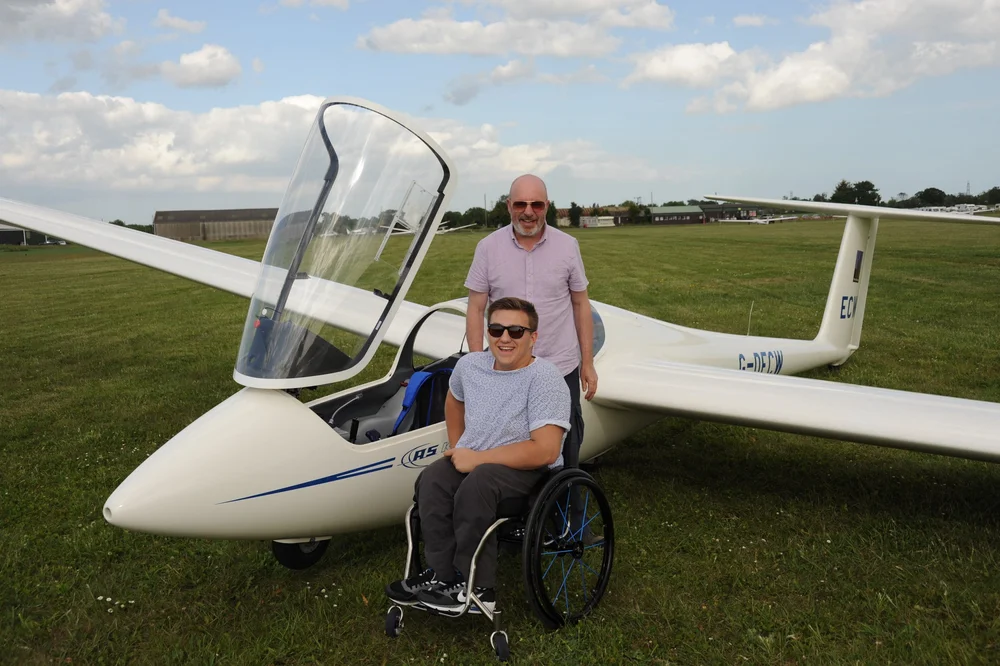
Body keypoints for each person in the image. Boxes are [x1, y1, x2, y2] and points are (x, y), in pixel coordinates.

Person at [385, 297, 570, 614]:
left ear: (533, 337)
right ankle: (441, 575)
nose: (505, 338)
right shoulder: (470, 366)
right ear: (488, 332)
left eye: (516, 331)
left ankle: (476, 587)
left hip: (527, 468)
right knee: (432, 479)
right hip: (477, 459)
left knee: (478, 484)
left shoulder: (545, 379)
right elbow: (454, 400)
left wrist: (477, 459)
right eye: (497, 329)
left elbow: (546, 450)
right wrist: (459, 446)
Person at [464, 174, 596, 469]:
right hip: (506, 369)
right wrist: (477, 363)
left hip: (560, 367)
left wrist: (587, 362)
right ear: (508, 205)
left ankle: (567, 499)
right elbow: (475, 308)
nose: (528, 212)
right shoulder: (487, 247)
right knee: (507, 448)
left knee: (566, 448)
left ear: (547, 206)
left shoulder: (568, 246)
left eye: (536, 204)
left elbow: (580, 304)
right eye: (520, 204)